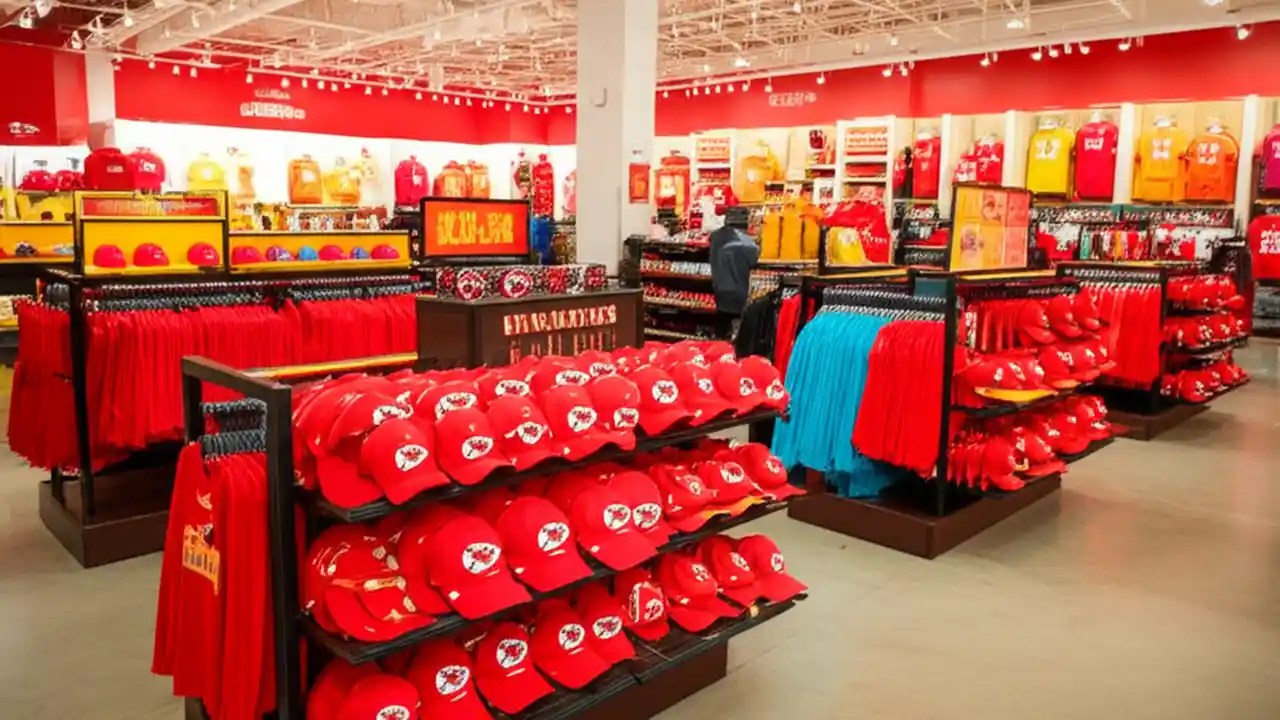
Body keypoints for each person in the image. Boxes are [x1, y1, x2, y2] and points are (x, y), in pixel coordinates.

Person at [710, 207, 760, 340]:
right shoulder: (749, 245)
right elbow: (755, 263)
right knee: (739, 337)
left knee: (720, 332)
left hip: (720, 291)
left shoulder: (715, 237)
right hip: (740, 294)